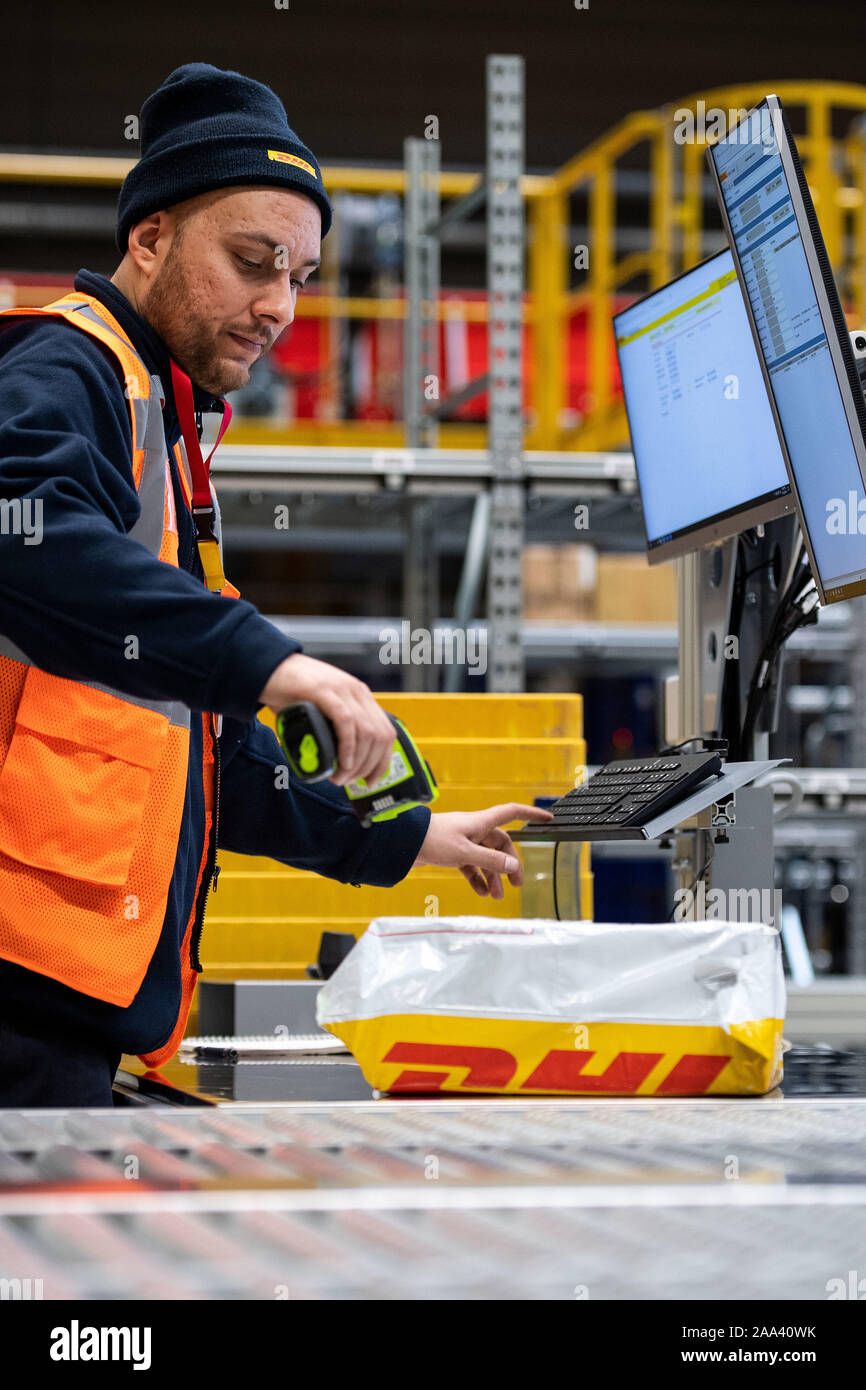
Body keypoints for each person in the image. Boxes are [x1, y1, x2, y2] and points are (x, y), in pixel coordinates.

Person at [0, 62, 550, 1108]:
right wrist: (270, 658)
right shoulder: (60, 375)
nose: (280, 306)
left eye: (298, 275)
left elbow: (192, 750)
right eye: (254, 262)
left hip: (58, 1011)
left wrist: (408, 835)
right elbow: (28, 541)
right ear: (150, 237)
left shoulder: (161, 425)